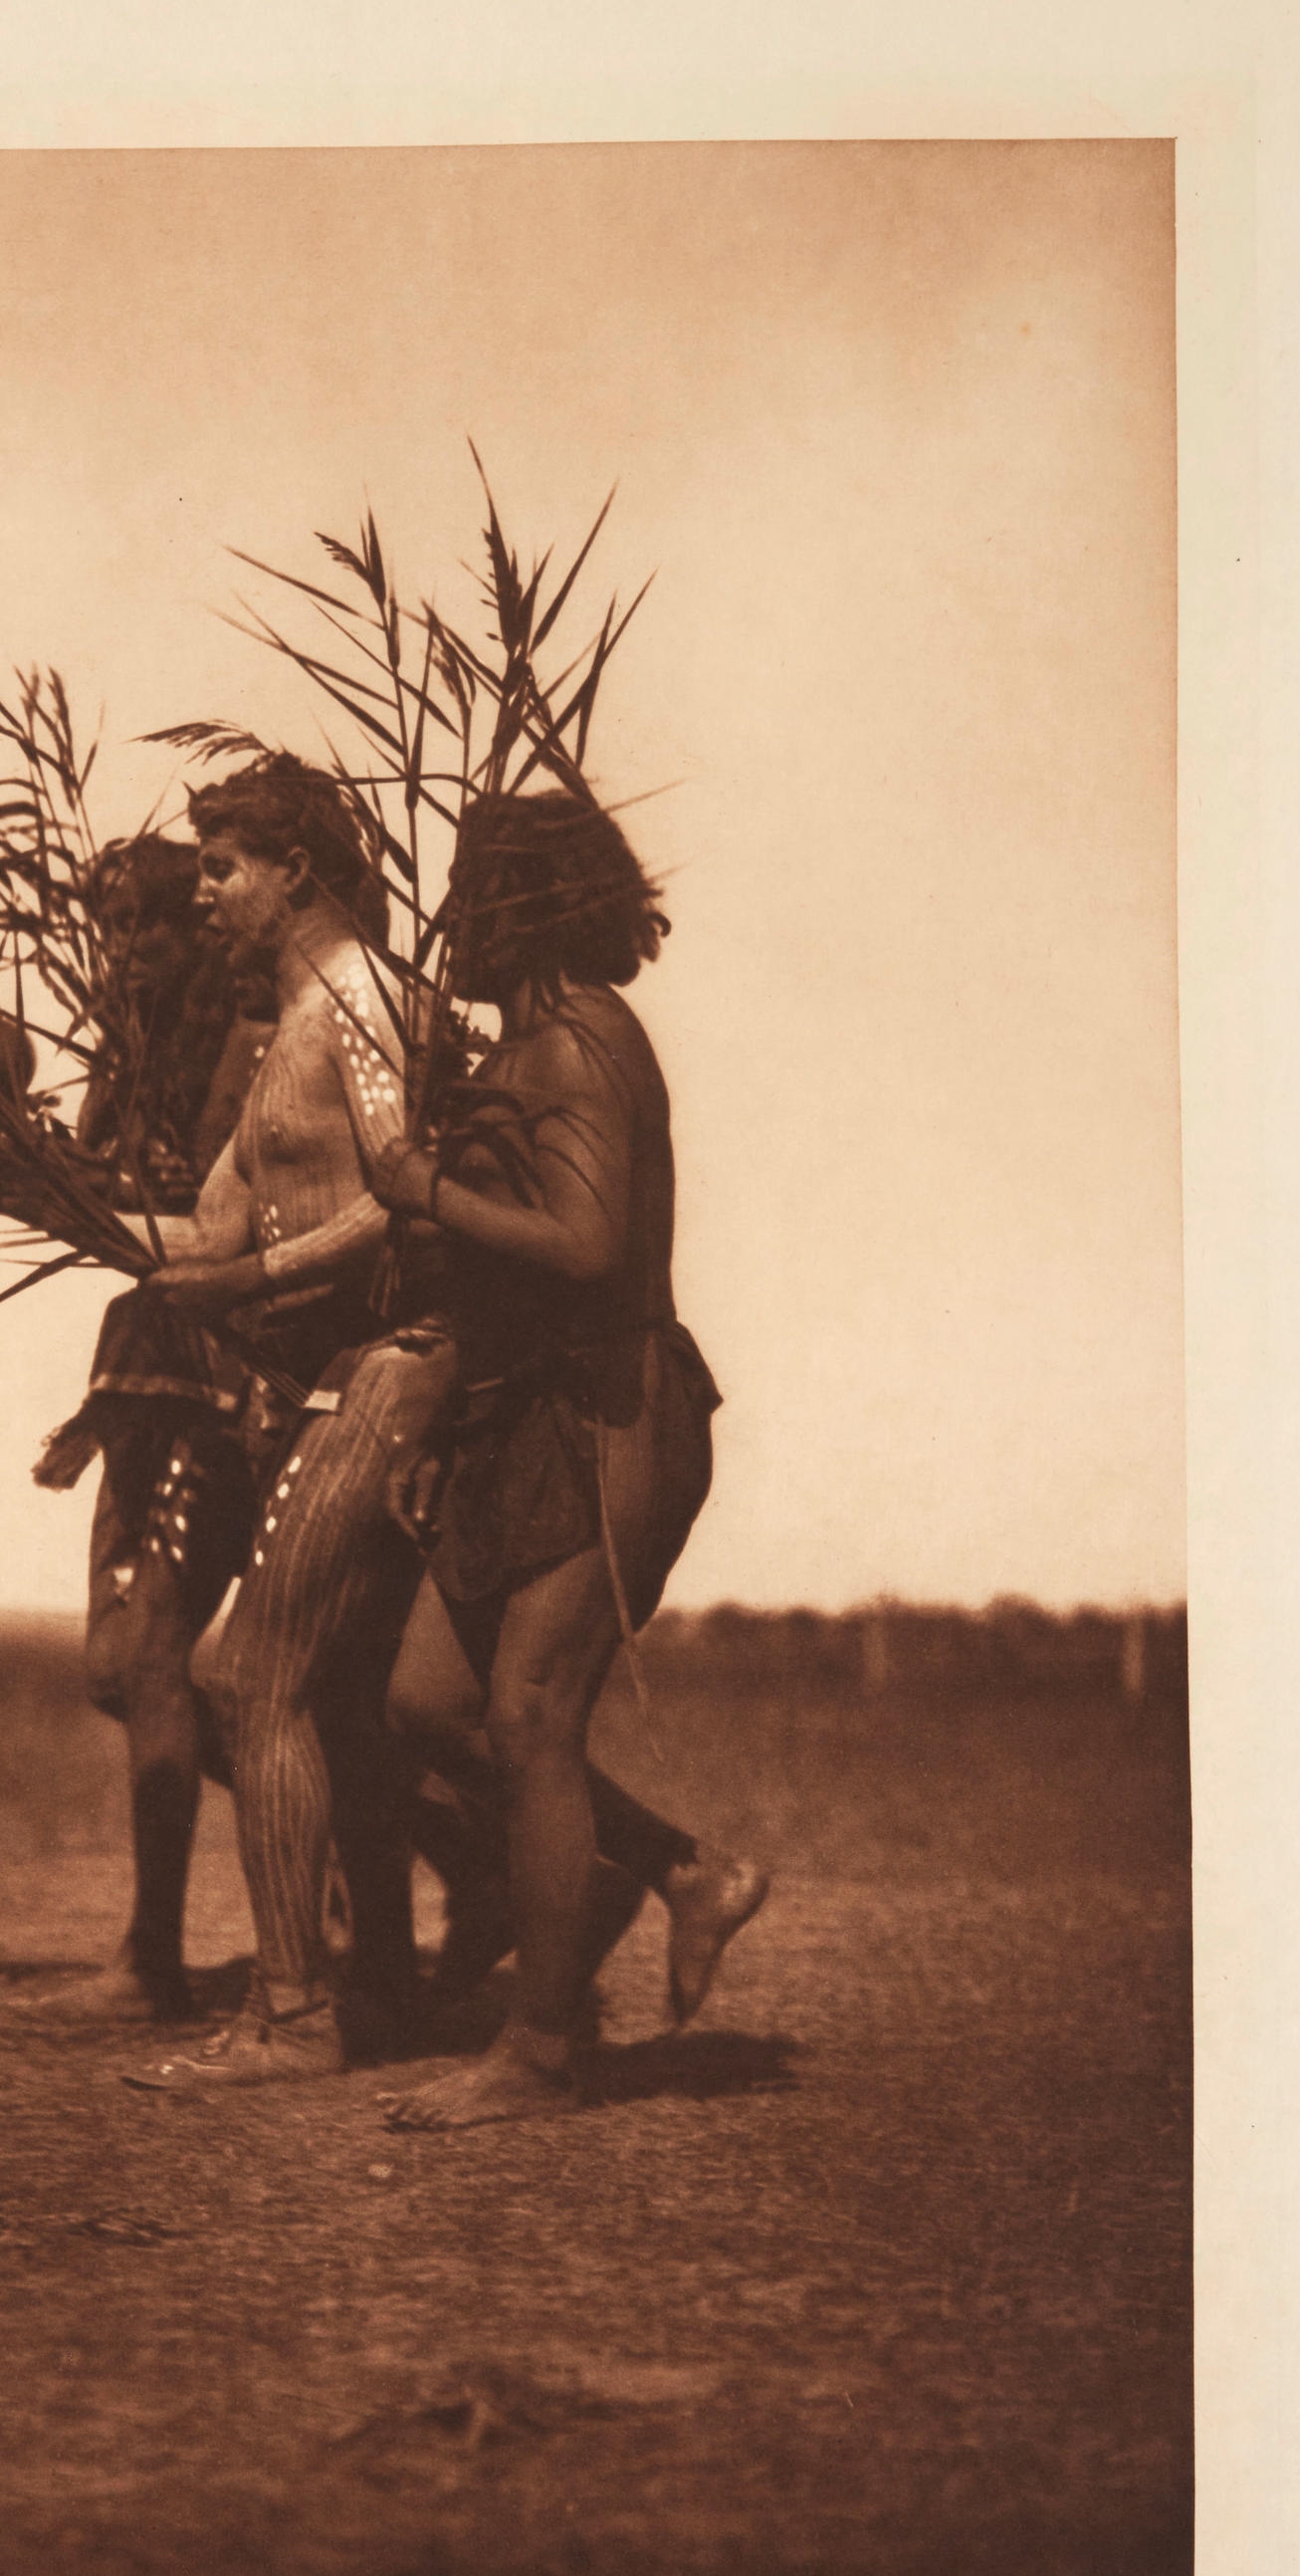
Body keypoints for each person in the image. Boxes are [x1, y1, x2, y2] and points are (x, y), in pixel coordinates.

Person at [369, 789, 768, 2130]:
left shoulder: (581, 1046)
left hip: (610, 1412)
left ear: (515, 905)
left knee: (533, 1714)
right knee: (429, 1701)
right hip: (517, 1412)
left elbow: (590, 1252)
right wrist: (439, 1409)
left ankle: (537, 2056)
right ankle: (671, 1869)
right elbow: (505, 1278)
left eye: (465, 896)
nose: (445, 922)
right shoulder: (524, 1047)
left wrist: (423, 1190)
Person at [116, 756, 455, 2089]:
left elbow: (401, 1199)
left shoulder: (355, 1001)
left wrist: (250, 1281)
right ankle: (343, 1990)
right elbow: (200, 1229)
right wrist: (13, 1179)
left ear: (294, 872)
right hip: (341, 1377)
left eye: (220, 868)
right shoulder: (290, 1024)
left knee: (246, 1677)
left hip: (388, 1369)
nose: (202, 894)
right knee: (297, 1689)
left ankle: (296, 2014)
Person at [0, 834, 274, 2025]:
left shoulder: (250, 1047)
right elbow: (98, 1189)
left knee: (147, 1661)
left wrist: (63, 1185)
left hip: (228, 1373)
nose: (124, 948)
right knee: (115, 1670)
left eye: (148, 924)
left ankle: (153, 1961)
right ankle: (403, 1829)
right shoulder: (131, 1056)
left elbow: (202, 1222)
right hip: (148, 1370)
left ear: (198, 928)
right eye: (109, 927)